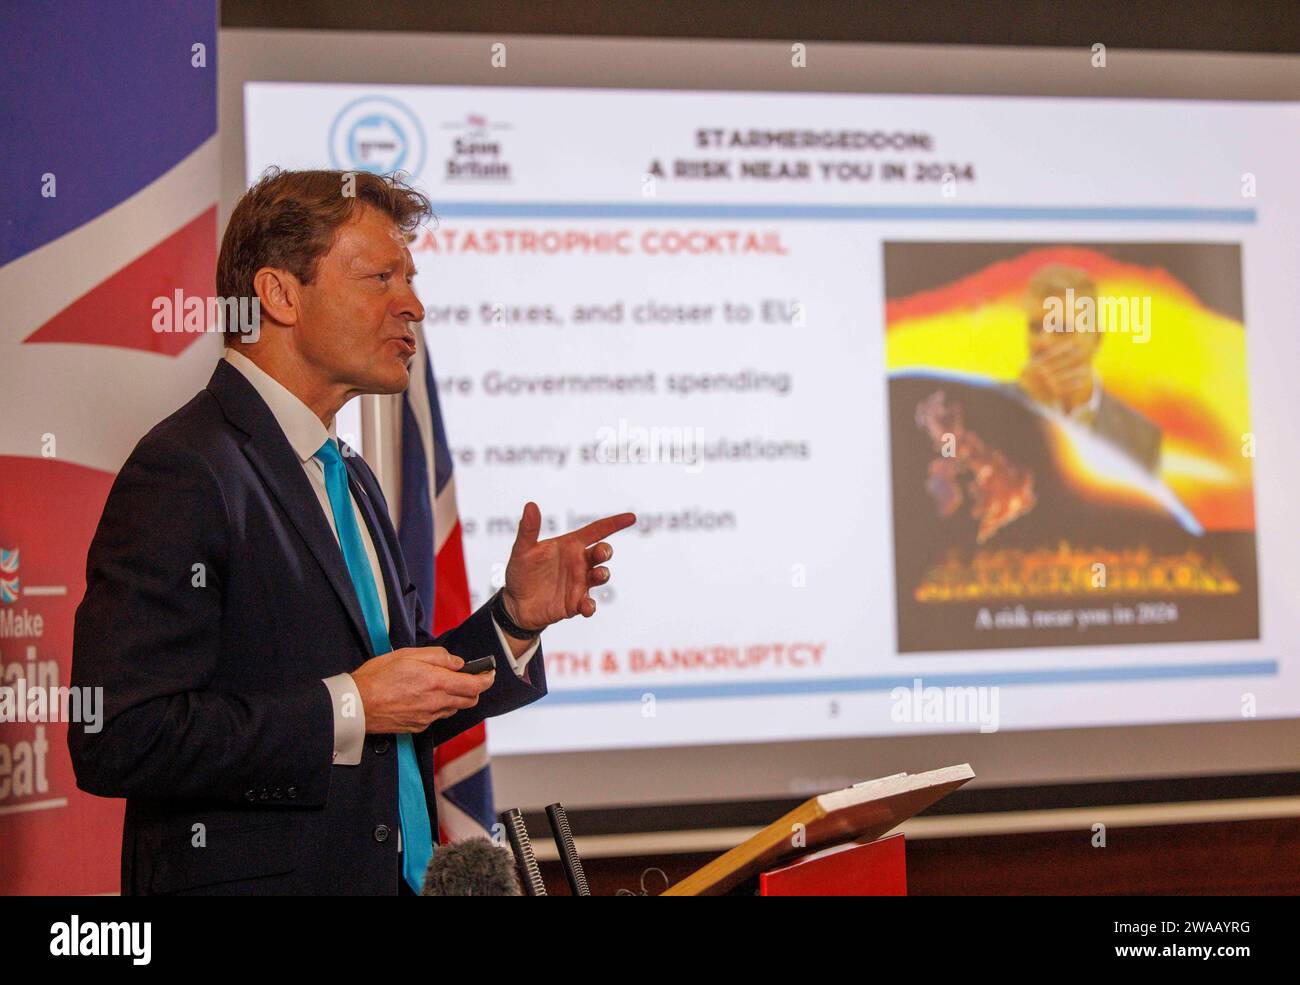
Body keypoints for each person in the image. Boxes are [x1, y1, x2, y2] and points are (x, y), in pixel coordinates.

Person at [68, 168, 635, 895]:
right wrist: (350, 705)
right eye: (381, 278)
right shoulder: (185, 470)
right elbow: (117, 736)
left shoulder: (349, 476)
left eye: (412, 278)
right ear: (278, 295)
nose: (414, 305)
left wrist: (514, 620)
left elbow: (401, 697)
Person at [1015, 264, 1162, 472]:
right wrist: (1024, 410)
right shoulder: (994, 413)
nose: (1043, 342)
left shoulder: (1142, 438)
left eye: (1060, 328)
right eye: (1035, 328)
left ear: (1095, 338)